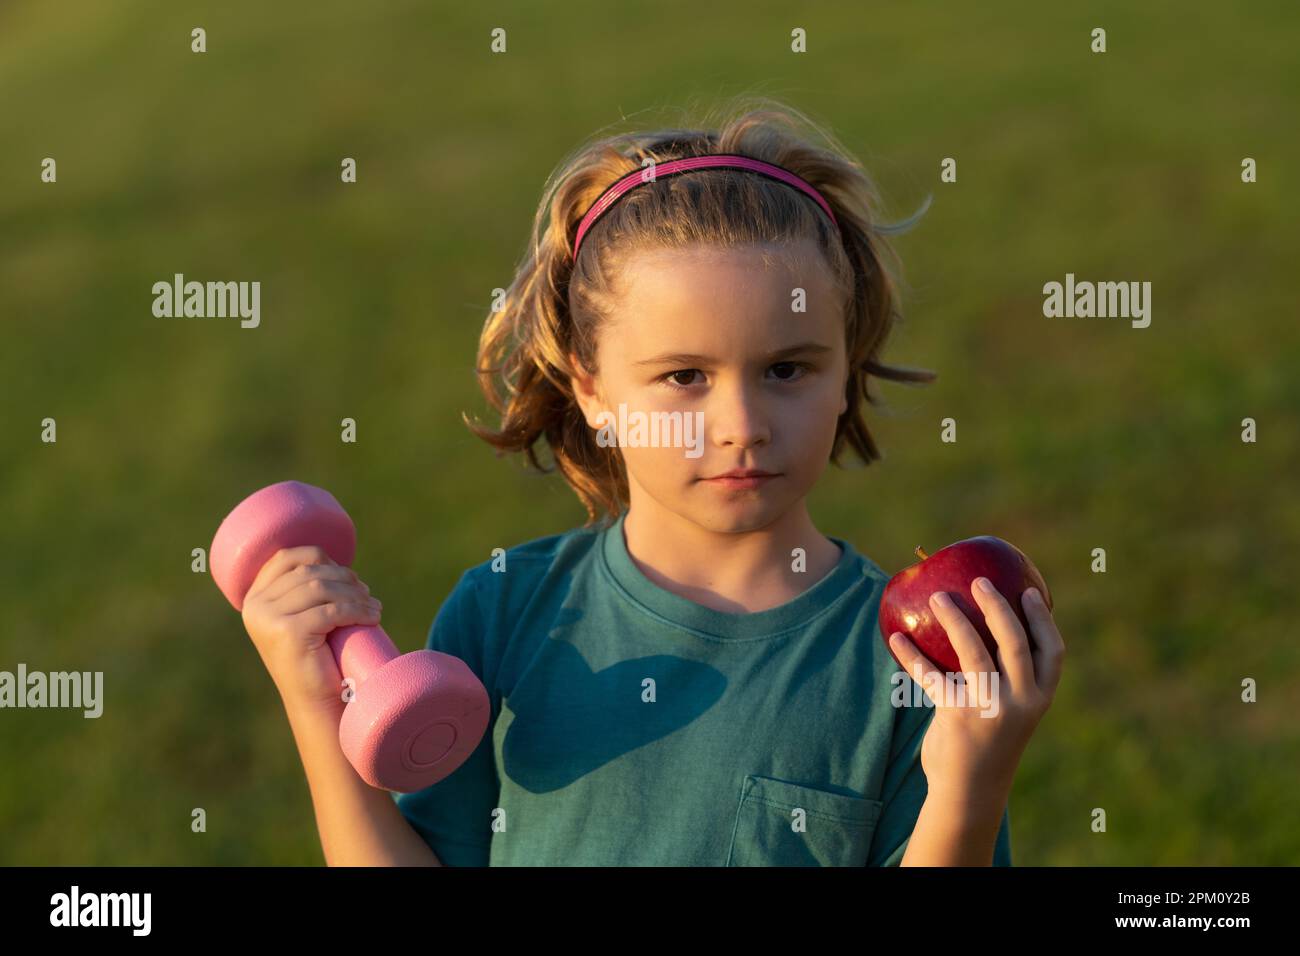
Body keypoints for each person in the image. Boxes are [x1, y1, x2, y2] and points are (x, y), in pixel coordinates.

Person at [239, 96, 1065, 866]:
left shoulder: (910, 664)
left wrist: (971, 786)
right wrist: (318, 705)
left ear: (846, 370)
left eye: (787, 368)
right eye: (683, 376)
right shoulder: (505, 614)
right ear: (592, 388)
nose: (742, 422)